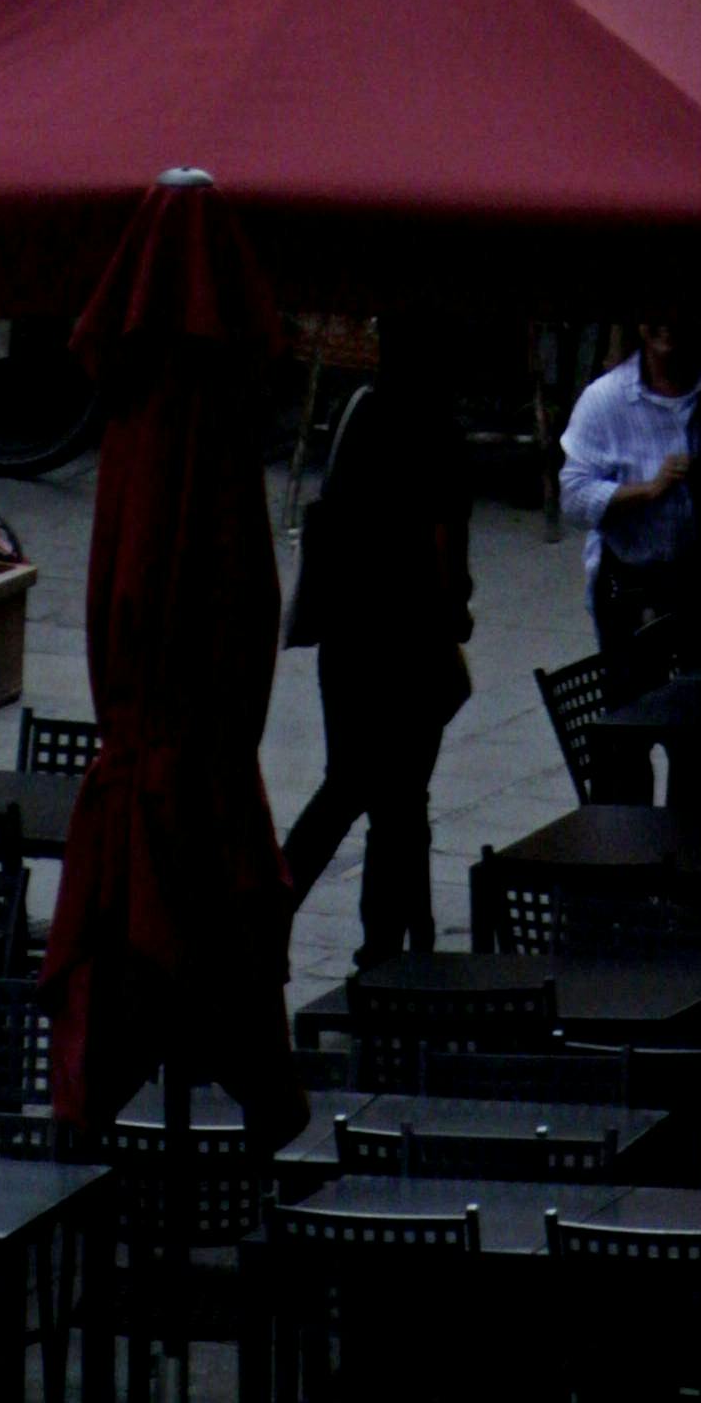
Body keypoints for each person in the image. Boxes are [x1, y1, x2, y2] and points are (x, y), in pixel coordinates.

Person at [277, 308, 473, 964]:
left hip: (348, 638)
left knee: (358, 785)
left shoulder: (357, 411)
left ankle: (392, 935)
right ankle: (380, 940)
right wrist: (454, 617)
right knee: (390, 796)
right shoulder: (440, 434)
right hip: (411, 643)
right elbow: (445, 549)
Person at [556, 310, 701, 699]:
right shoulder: (606, 400)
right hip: (633, 587)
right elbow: (574, 497)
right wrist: (647, 490)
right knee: (630, 728)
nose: (668, 321)